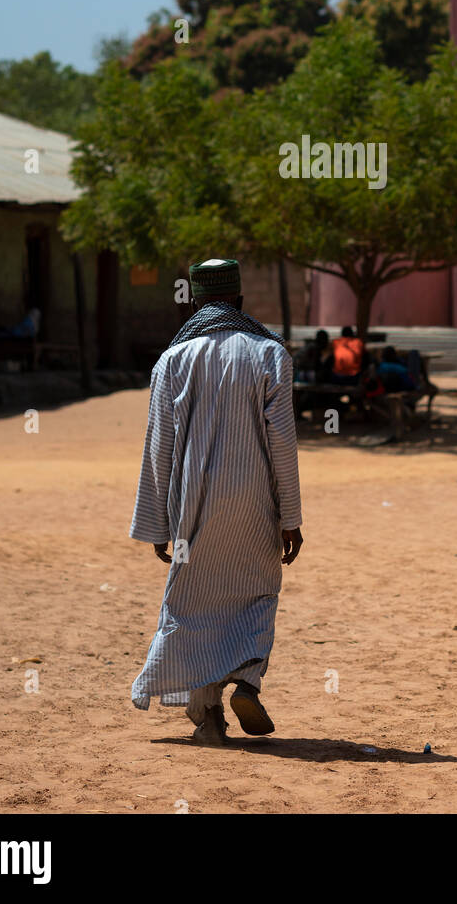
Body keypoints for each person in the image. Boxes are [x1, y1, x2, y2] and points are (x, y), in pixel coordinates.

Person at [129, 257, 303, 747]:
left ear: (194, 300)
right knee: (257, 594)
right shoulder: (271, 355)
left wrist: (157, 524)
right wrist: (290, 518)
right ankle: (247, 681)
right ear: (240, 300)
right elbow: (282, 446)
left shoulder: (172, 361)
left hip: (193, 507)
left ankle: (207, 718)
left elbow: (158, 446)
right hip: (257, 506)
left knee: (195, 605)